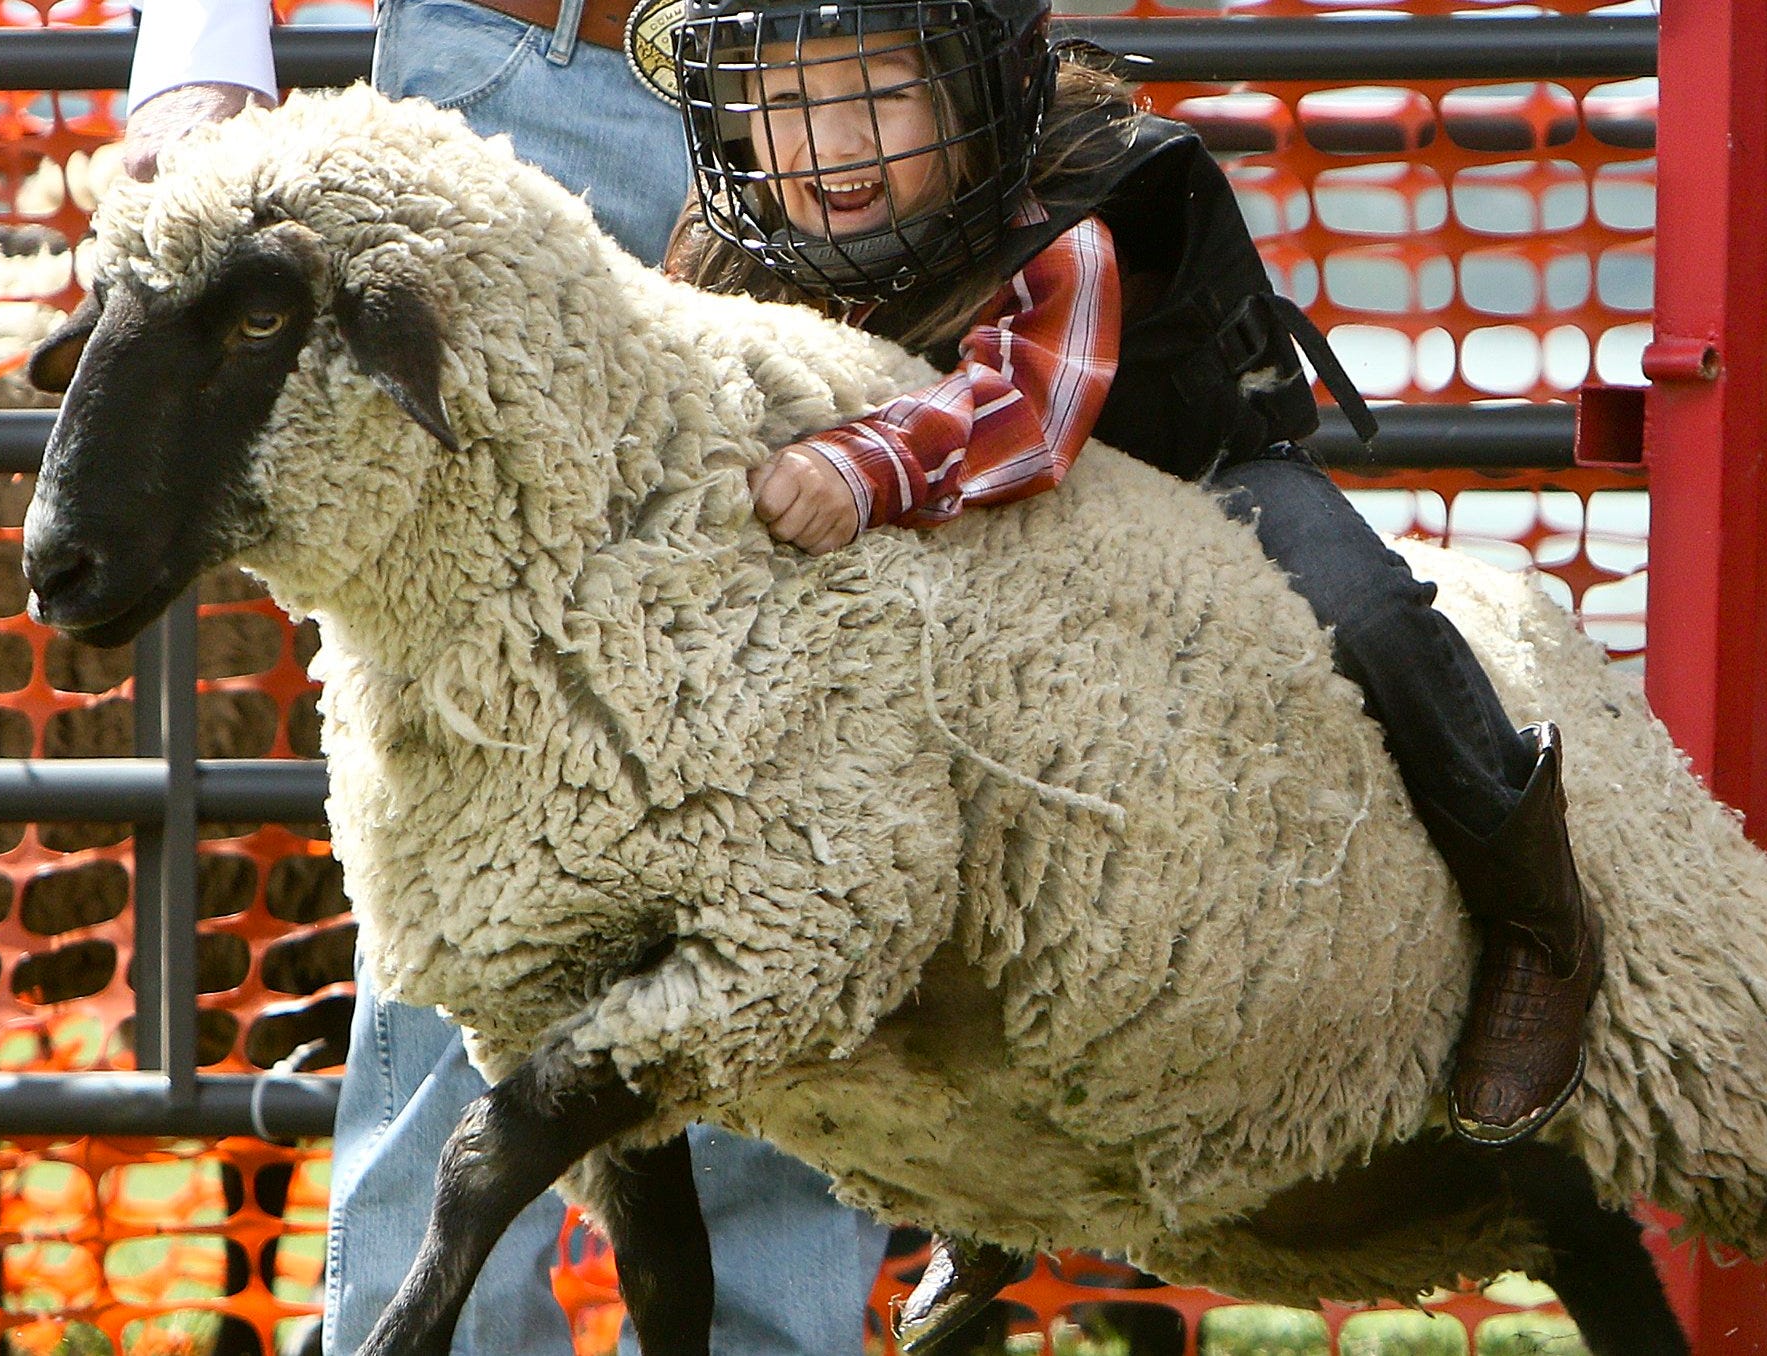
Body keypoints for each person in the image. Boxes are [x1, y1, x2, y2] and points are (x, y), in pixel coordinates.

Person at [653, 1, 1603, 1344]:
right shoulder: (728, 244)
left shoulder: (1076, 204)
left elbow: (1023, 412)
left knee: (1370, 618)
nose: (832, 144)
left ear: (974, 90)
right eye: (789, 104)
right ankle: (985, 1193)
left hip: (1192, 481)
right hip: (981, 567)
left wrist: (852, 467)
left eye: (877, 96)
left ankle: (1539, 918)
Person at [118, 5, 894, 1356]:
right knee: (466, 839)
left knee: (810, 819)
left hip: (836, 86)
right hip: (522, 71)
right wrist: (197, 59)